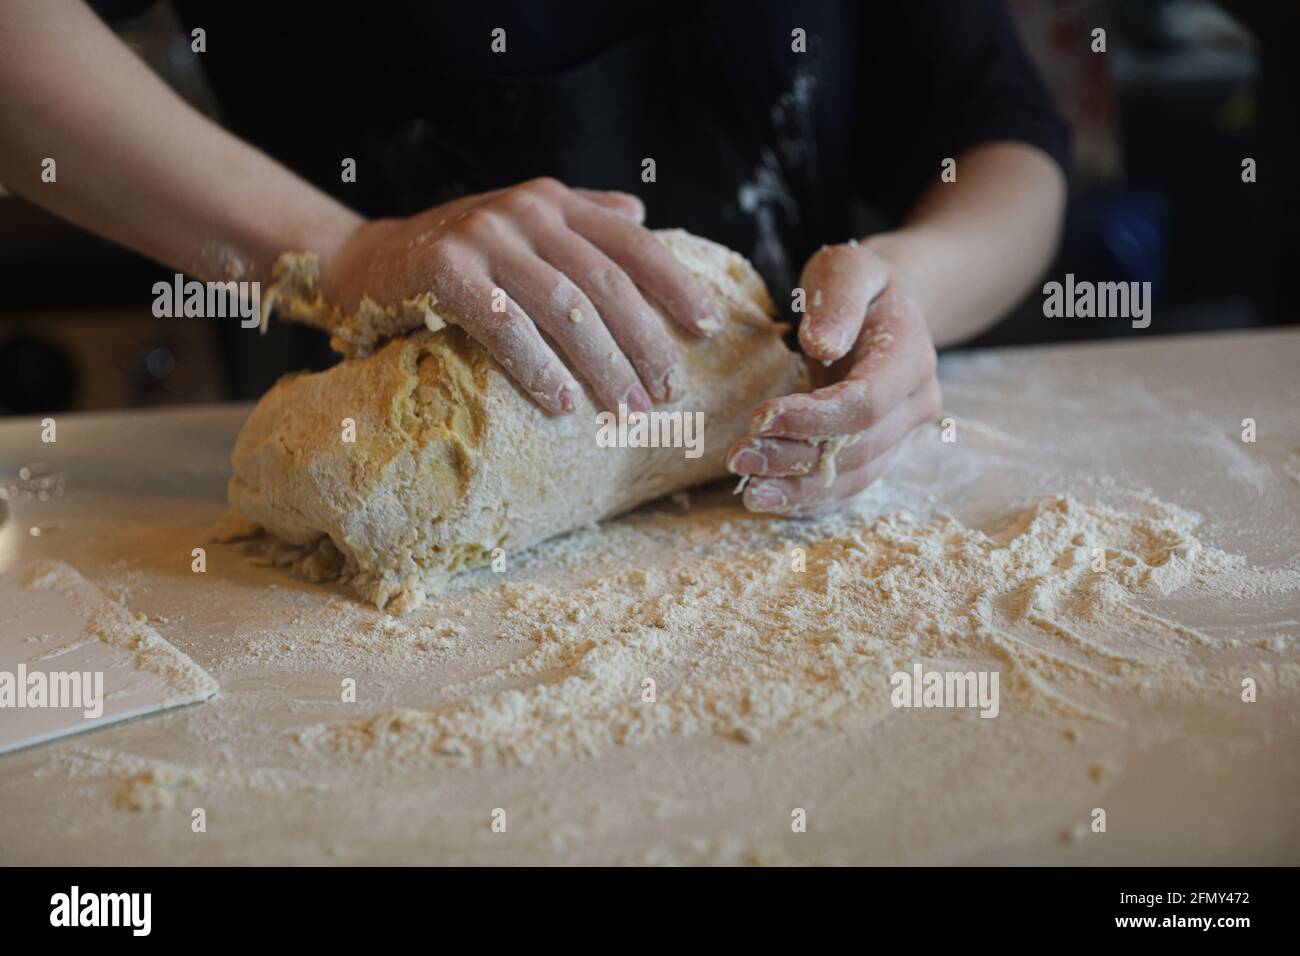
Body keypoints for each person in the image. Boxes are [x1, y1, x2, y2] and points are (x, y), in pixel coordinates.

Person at [0, 0, 1068, 514]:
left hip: (780, 460)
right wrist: (343, 251)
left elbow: (1006, 139)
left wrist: (910, 285)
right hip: (354, 461)